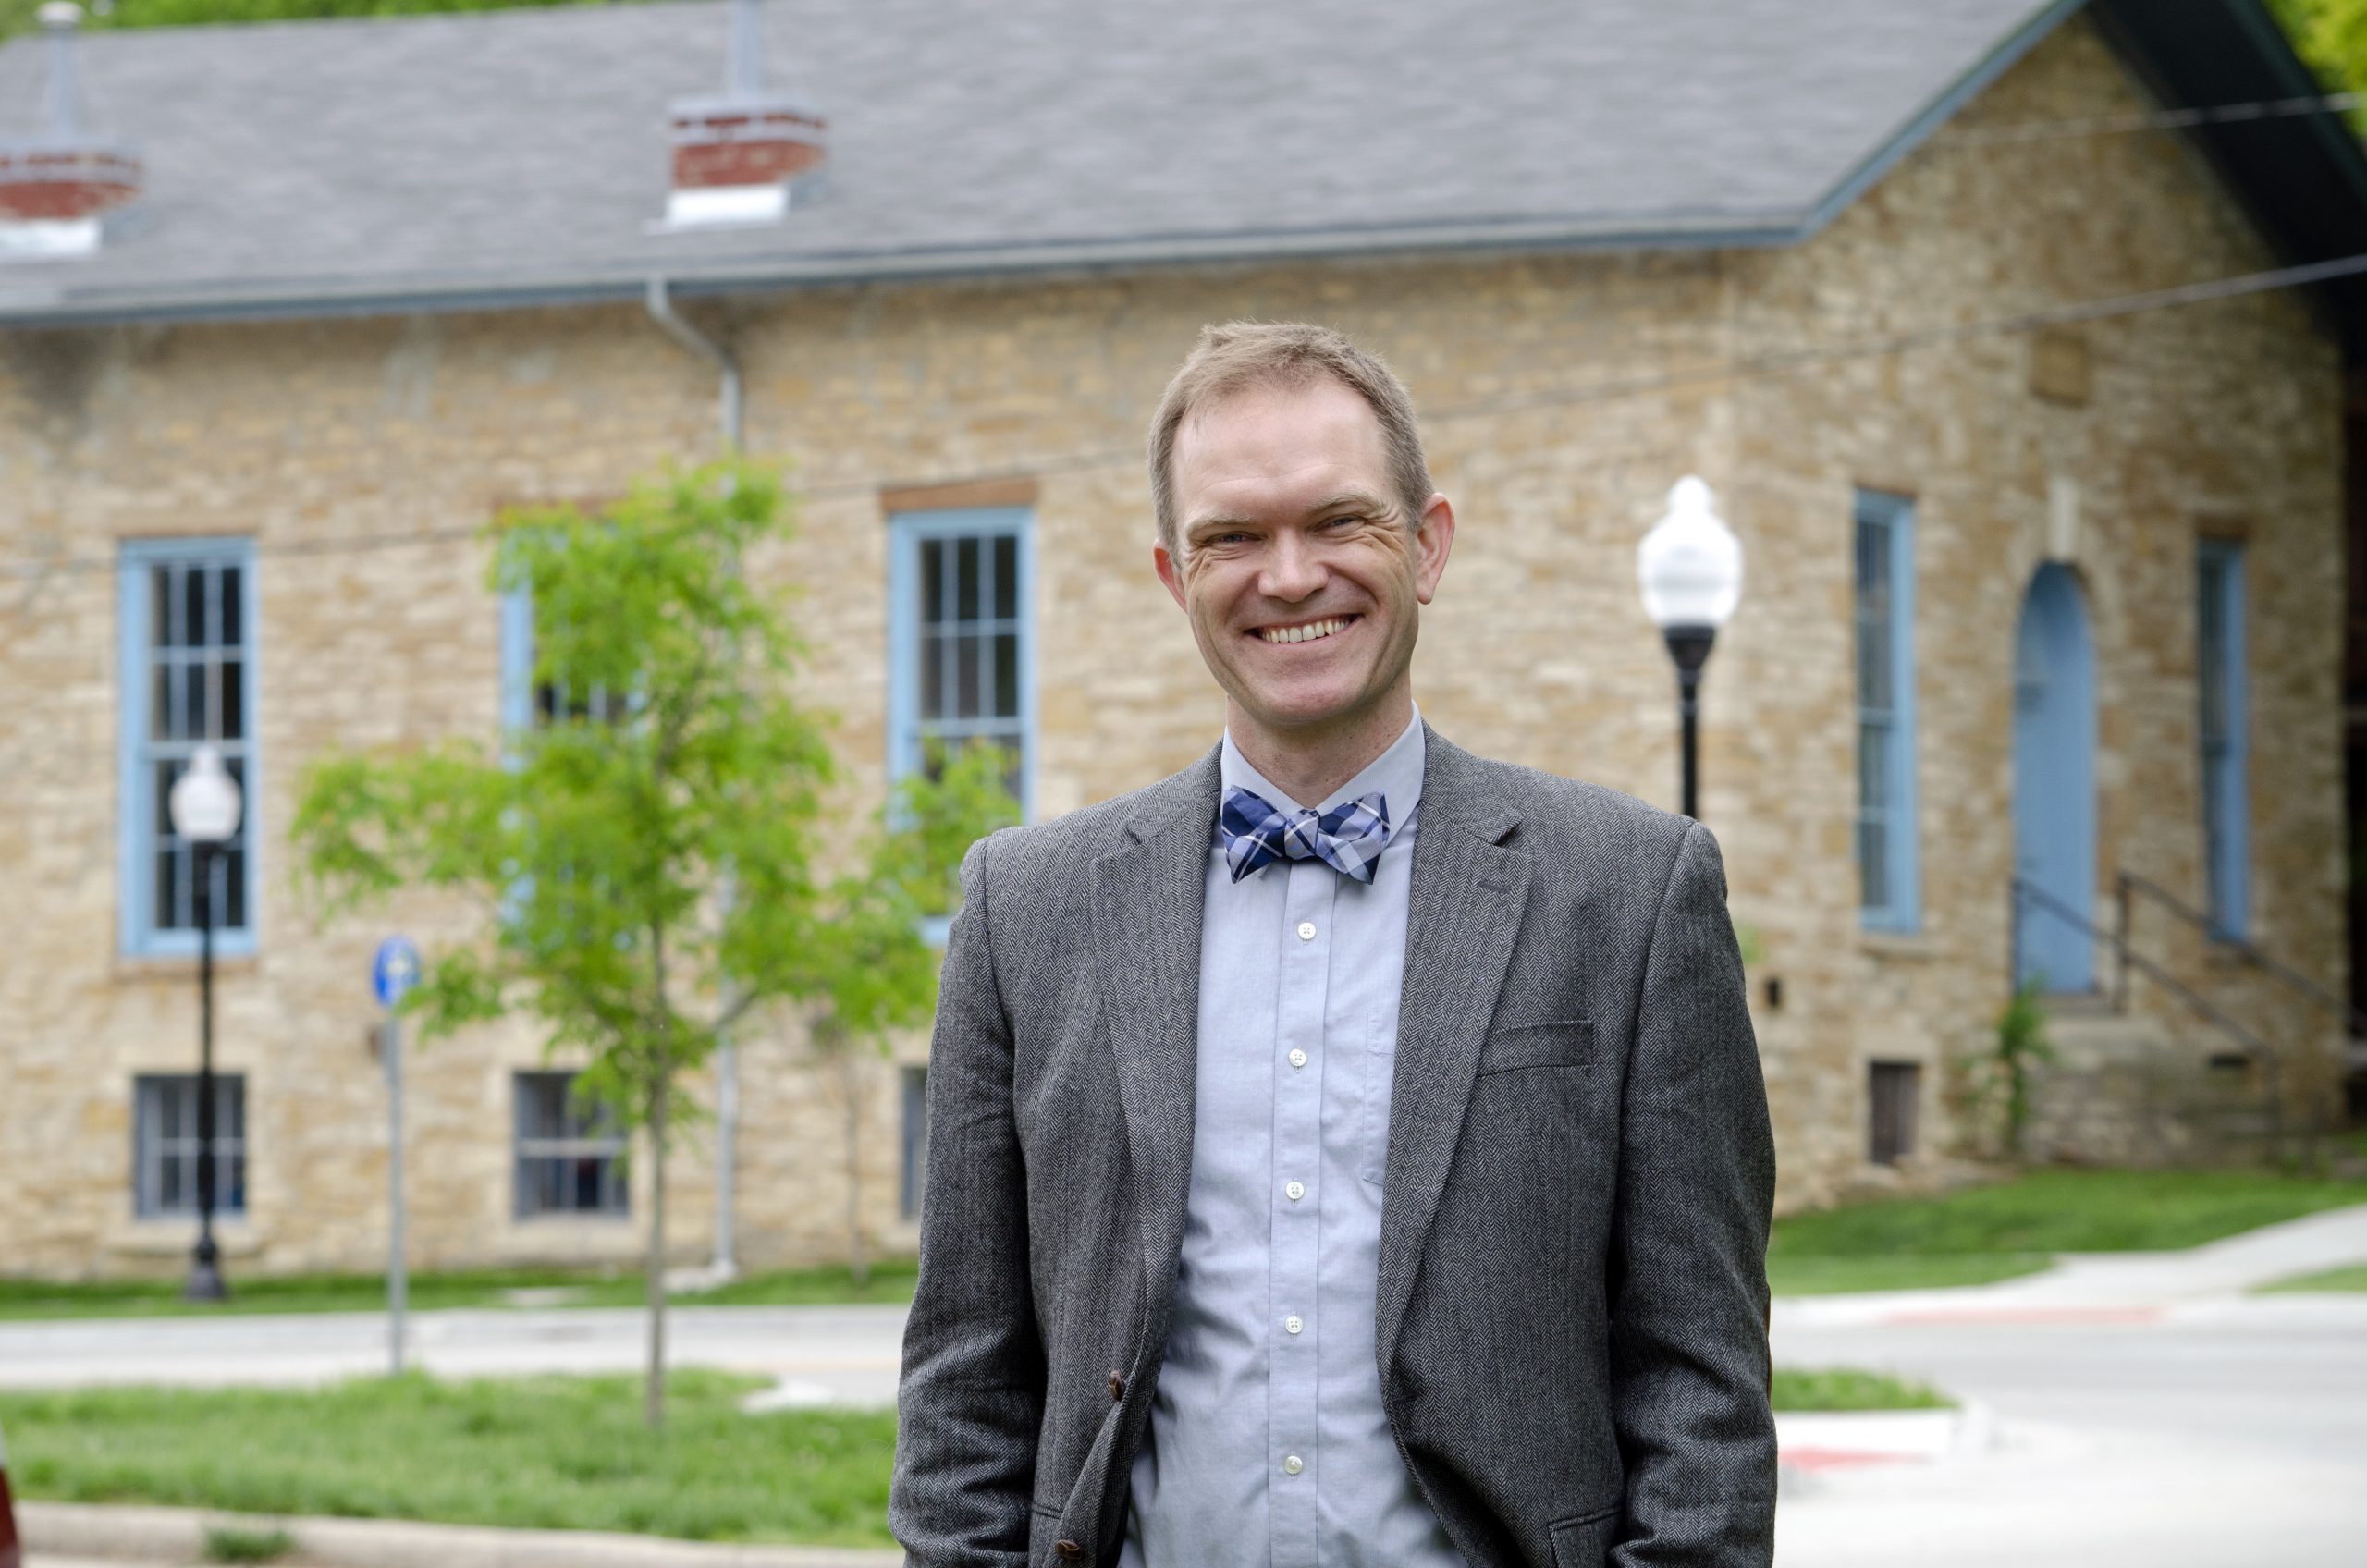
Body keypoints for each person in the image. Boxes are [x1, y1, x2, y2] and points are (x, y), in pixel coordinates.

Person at [889, 322, 1776, 1568]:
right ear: (1171, 575)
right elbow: (964, 1385)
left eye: (1339, 522)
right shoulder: (1026, 910)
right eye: (1233, 537)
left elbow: (1703, 1389)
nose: (1290, 576)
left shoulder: (1629, 896)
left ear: (1428, 545)